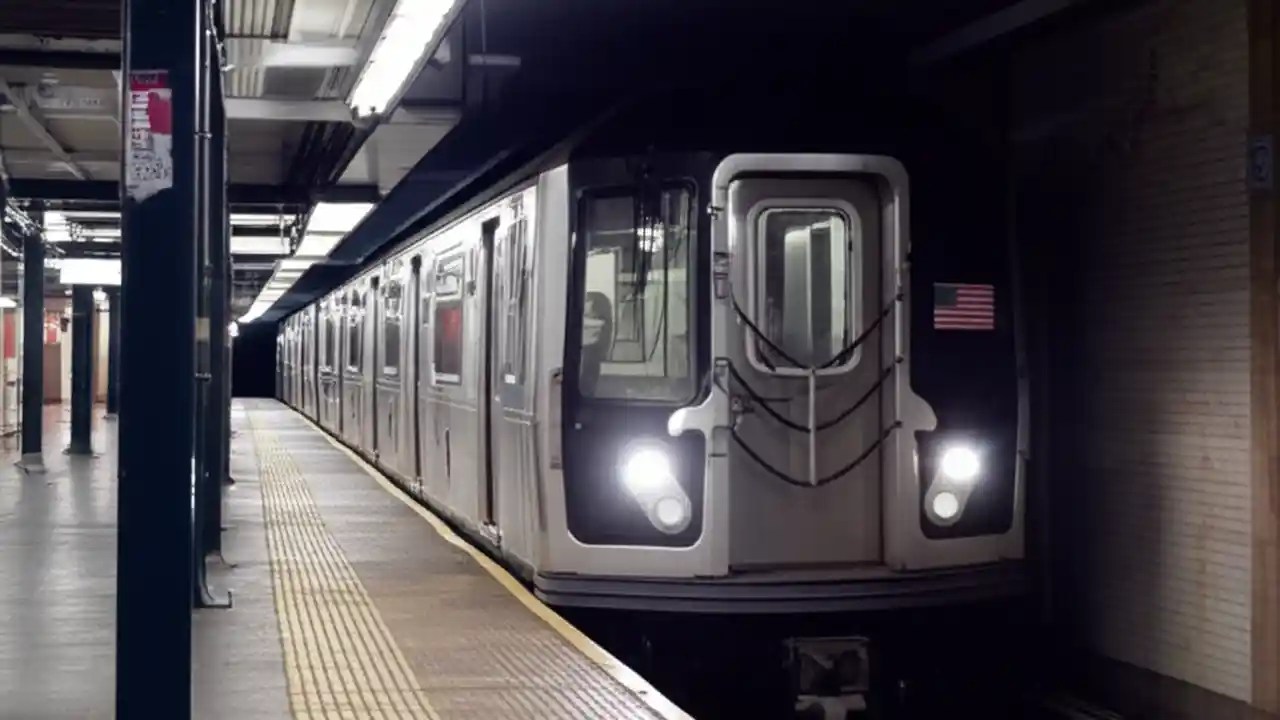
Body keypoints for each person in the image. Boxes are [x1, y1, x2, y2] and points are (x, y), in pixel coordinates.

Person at [579, 292, 613, 396]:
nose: (583, 303)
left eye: (587, 300)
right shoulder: (601, 323)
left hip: (588, 357)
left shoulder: (597, 323)